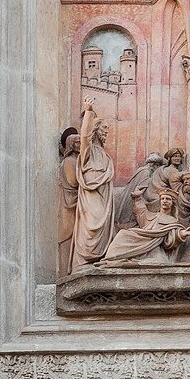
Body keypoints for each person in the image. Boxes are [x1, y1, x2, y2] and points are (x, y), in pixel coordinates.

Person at [71, 103, 116, 269]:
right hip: (92, 193)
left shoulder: (105, 155)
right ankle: (85, 260)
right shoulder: (88, 151)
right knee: (92, 225)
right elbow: (84, 137)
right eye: (104, 128)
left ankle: (100, 259)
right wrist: (89, 112)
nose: (106, 131)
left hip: (104, 193)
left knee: (103, 226)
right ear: (96, 129)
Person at [102, 190, 190, 264]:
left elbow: (172, 237)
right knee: (122, 234)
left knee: (157, 260)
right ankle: (112, 258)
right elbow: (141, 211)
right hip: (141, 238)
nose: (164, 201)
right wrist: (138, 198)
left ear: (172, 203)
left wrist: (184, 233)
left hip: (154, 245)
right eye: (162, 199)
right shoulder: (151, 215)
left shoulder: (172, 221)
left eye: (168, 199)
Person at [57, 126, 80, 278]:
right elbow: (73, 182)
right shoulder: (69, 161)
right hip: (70, 203)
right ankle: (66, 270)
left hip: (77, 202)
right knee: (68, 234)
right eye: (77, 142)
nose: (81, 144)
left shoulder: (77, 160)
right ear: (71, 145)